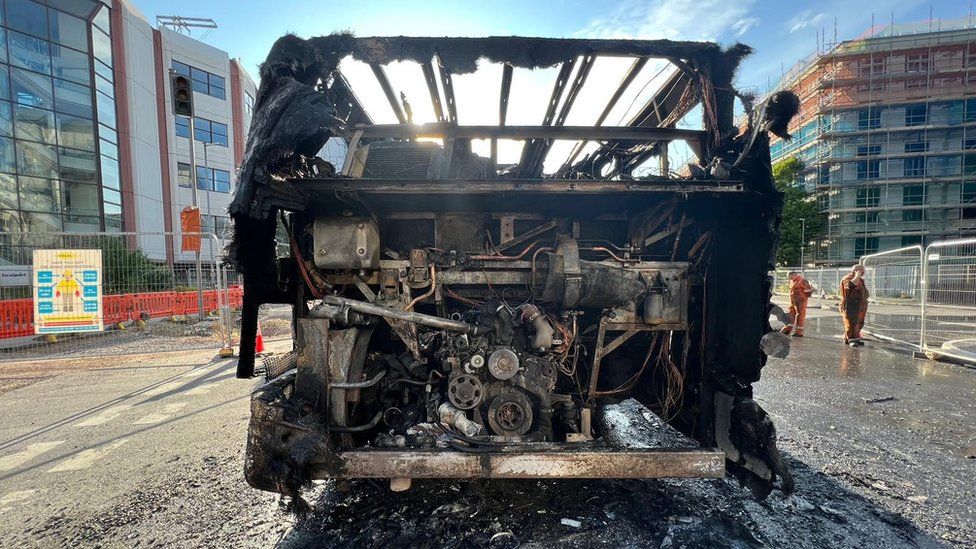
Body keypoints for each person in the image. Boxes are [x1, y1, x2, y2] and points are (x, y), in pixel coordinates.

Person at [839, 264, 869, 346]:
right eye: (862, 271)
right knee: (850, 322)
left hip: (859, 305)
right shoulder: (848, 278)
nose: (863, 273)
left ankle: (855, 338)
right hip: (849, 304)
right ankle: (852, 339)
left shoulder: (860, 280)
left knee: (858, 322)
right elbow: (850, 286)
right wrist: (857, 275)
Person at [781, 271, 813, 337]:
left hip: (800, 302)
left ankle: (799, 332)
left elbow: (808, 291)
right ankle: (787, 329)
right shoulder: (792, 281)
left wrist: (803, 298)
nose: (789, 279)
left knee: (800, 316)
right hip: (793, 302)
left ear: (794, 275)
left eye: (790, 277)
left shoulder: (803, 281)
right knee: (790, 315)